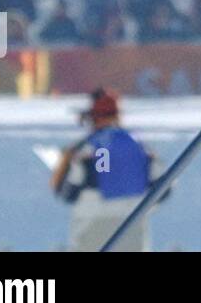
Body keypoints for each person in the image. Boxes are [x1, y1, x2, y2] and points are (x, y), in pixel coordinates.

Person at [49, 89, 156, 251]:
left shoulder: (85, 150)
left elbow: (66, 193)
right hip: (132, 232)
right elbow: (162, 190)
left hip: (91, 231)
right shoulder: (140, 149)